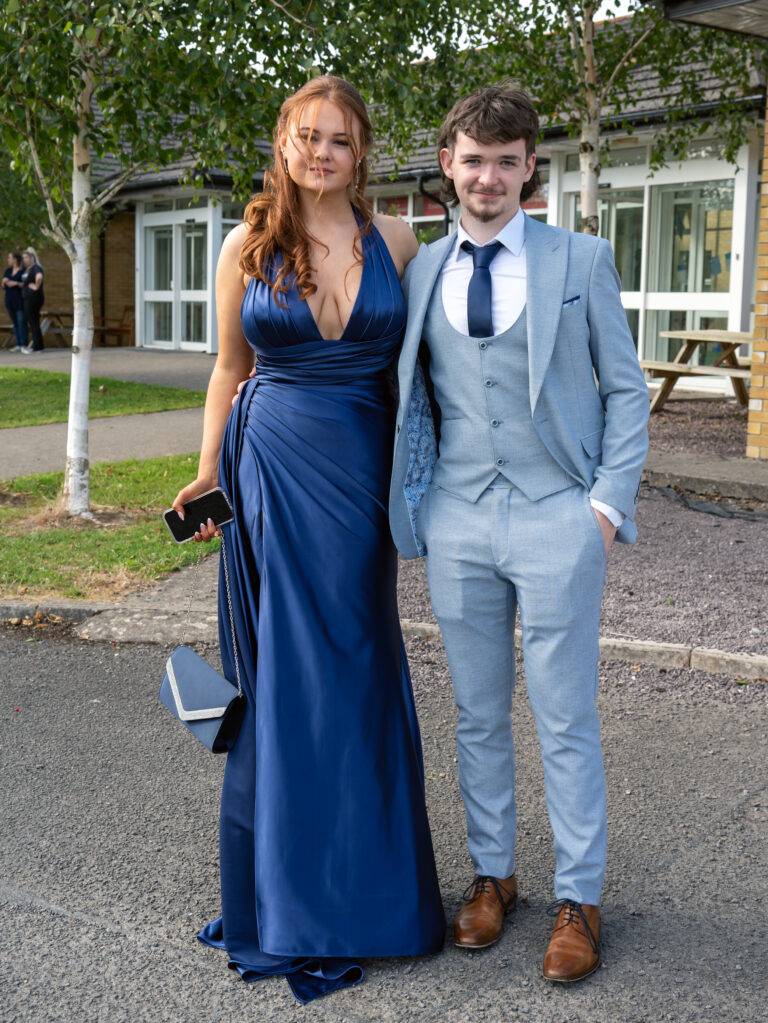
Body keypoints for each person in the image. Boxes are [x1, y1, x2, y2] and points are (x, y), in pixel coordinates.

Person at [172, 76, 445, 1004]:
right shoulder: (245, 246)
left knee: (362, 663)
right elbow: (228, 368)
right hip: (271, 470)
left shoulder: (399, 240)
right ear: (282, 145)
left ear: (361, 151)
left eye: (338, 139)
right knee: (288, 672)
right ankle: (292, 903)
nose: (320, 152)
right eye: (305, 136)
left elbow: (428, 368)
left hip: (363, 473)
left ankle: (373, 892)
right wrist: (206, 472)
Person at [389, 86, 649, 983]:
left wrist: (604, 510)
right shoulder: (421, 270)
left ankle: (579, 897)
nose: (489, 178)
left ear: (531, 166)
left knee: (565, 714)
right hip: (457, 513)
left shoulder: (581, 259)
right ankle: (493, 875)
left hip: (556, 513)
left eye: (507, 161)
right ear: (448, 166)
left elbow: (626, 391)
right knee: (476, 711)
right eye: (474, 160)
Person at [20, 248, 44, 352]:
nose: (24, 259)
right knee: (33, 321)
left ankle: (37, 347)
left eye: (26, 257)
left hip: (33, 298)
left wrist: (36, 286)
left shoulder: (36, 267)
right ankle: (38, 345)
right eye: (23, 258)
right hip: (28, 298)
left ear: (32, 257)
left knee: (34, 322)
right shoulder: (28, 269)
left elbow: (39, 277)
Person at [2, 251, 27, 351]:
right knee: (15, 323)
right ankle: (18, 344)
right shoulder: (8, 270)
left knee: (21, 322)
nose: (8, 259)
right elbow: (3, 285)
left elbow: (26, 284)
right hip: (9, 299)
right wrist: (4, 282)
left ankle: (23, 345)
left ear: (15, 259)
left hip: (19, 300)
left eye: (9, 257)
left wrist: (15, 283)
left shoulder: (23, 270)